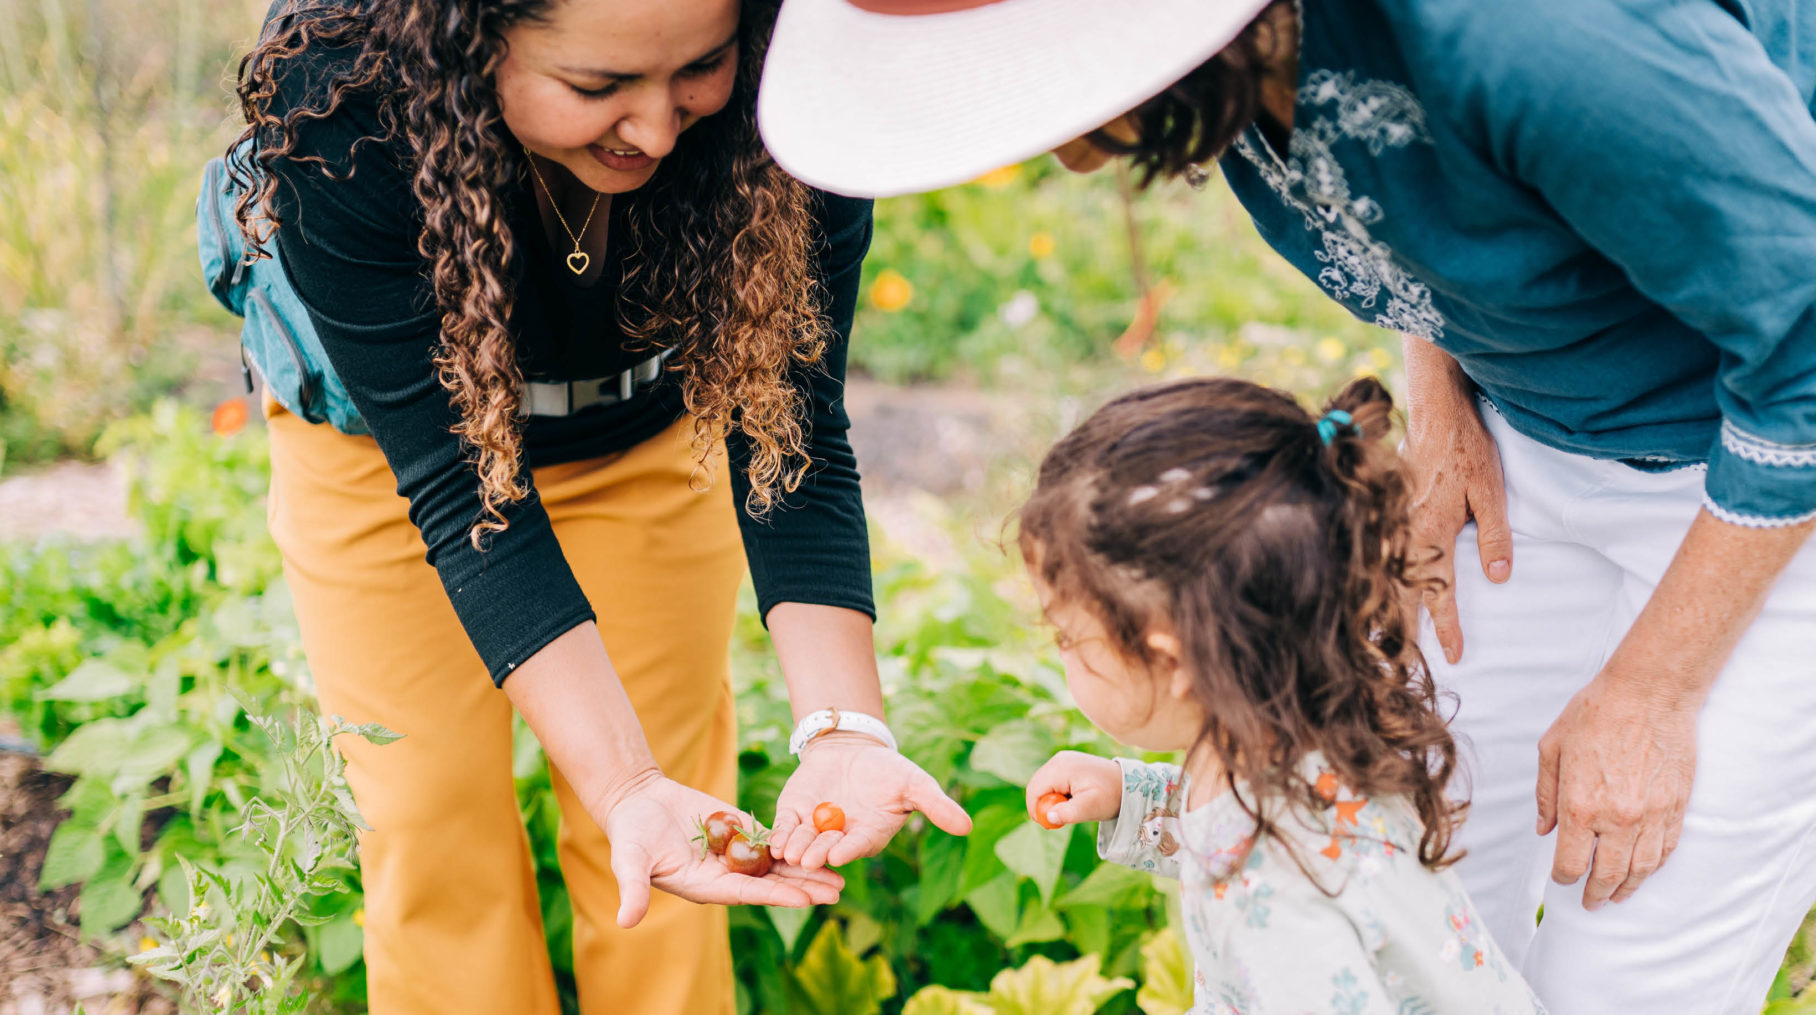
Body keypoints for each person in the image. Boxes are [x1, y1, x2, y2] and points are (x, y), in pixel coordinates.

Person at [759, 1, 1816, 1011]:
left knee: (1622, 979)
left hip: (1768, 479)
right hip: (1524, 434)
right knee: (1456, 837)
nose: (1063, 155)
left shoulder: (1540, 29)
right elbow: (1340, 823)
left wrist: (1652, 685)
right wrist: (1441, 400)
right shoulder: (1241, 61)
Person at [229, 0, 970, 1011]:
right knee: (427, 819)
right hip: (389, 456)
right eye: (596, 88)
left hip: (638, 434)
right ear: (467, 42)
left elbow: (791, 423)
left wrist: (843, 728)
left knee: (677, 823)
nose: (659, 129)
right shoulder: (338, 106)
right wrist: (615, 783)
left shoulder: (797, 85)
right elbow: (459, 490)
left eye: (698, 68)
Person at [1019, 375, 1546, 1012]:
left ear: (1172, 657)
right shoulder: (1317, 723)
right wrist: (1130, 797)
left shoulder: (1268, 903)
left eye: (1068, 634)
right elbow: (1264, 820)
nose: (1058, 648)